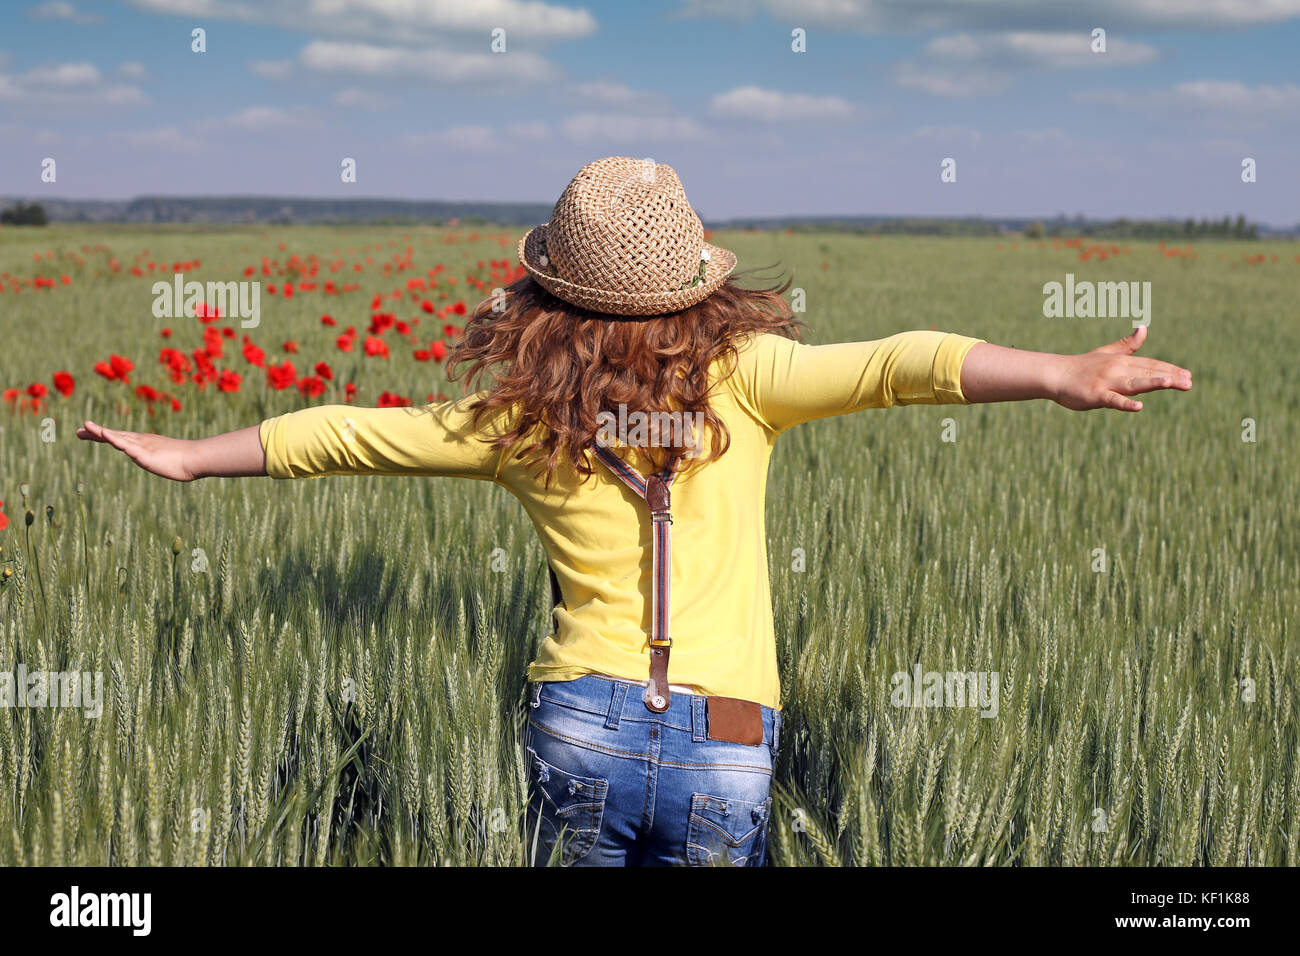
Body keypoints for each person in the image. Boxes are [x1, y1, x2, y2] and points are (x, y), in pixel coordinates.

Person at [77, 156, 1192, 866]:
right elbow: (905, 361)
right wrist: (1055, 369)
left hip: (581, 723)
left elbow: (344, 431)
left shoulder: (519, 418)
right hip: (728, 736)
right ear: (702, 284)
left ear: (545, 293)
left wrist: (187, 455)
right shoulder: (752, 375)